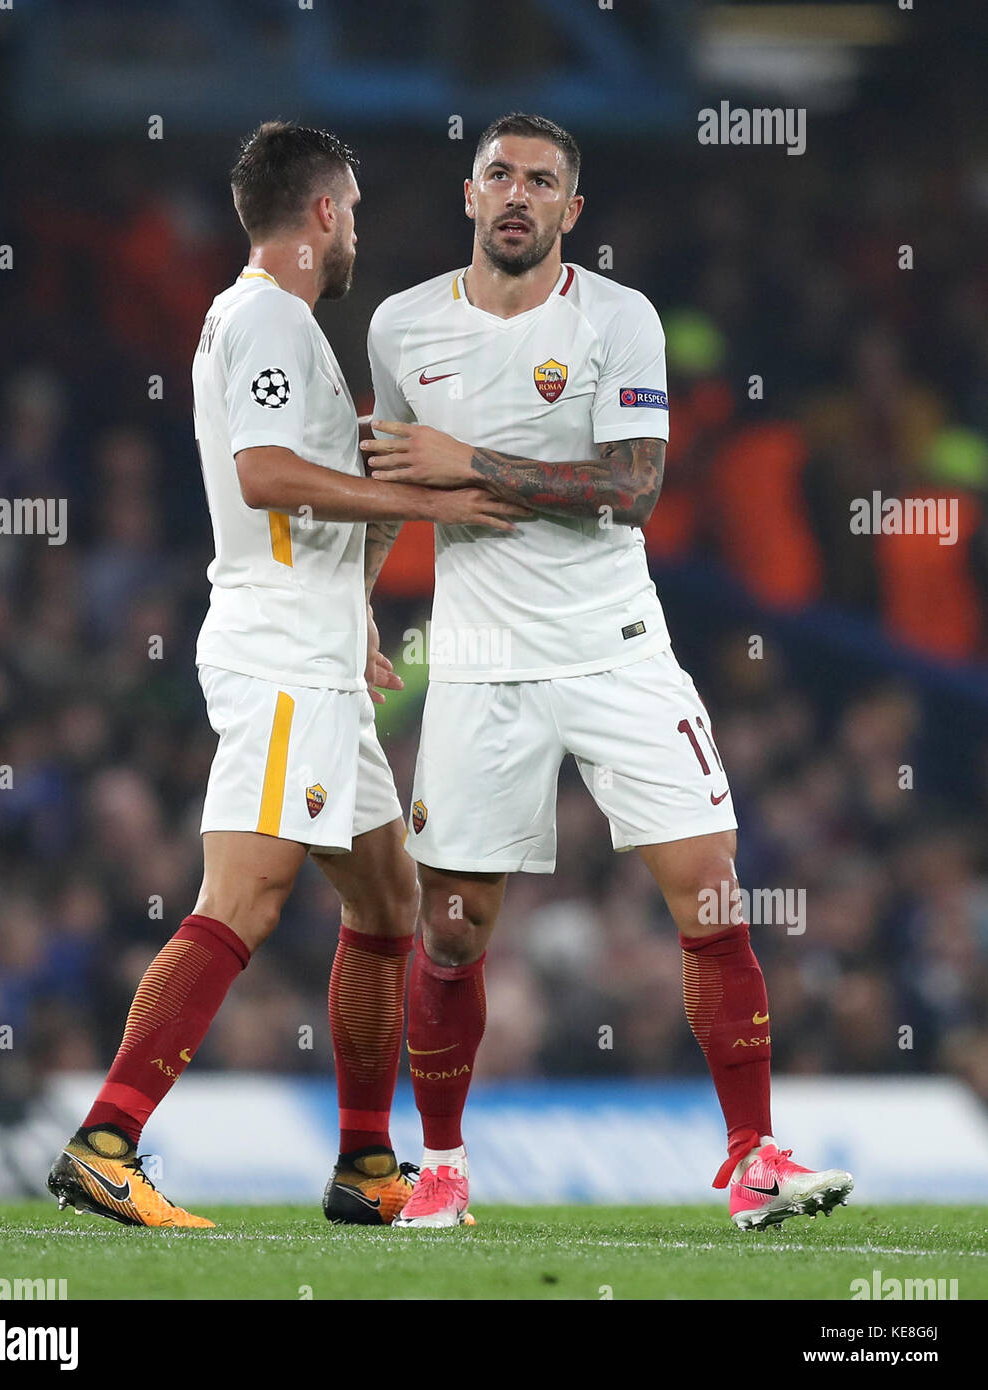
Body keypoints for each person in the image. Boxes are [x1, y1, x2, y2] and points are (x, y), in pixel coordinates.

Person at [363, 112, 853, 1231]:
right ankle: (438, 1165)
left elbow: (630, 488)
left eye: (542, 179)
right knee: (451, 927)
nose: (518, 194)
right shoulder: (400, 327)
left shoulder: (617, 320)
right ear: (469, 193)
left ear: (570, 210)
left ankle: (750, 1157)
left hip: (612, 644)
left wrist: (469, 466)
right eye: (500, 175)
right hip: (477, 659)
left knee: (710, 886)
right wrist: (356, 607)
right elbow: (392, 486)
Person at [46, 121, 527, 1229]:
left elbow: (312, 478)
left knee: (386, 894)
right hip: (276, 655)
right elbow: (267, 477)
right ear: (320, 212)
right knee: (247, 892)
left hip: (313, 645)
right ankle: (106, 1138)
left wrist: (357, 598)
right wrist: (423, 500)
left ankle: (364, 1166)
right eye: (350, 210)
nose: (355, 227)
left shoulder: (289, 329)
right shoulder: (264, 315)